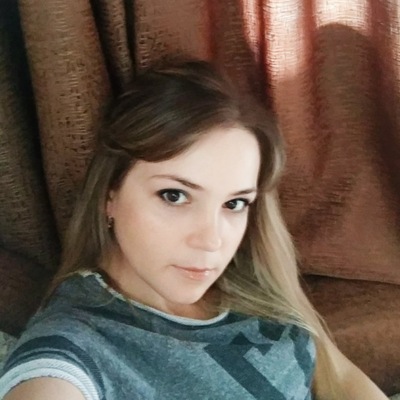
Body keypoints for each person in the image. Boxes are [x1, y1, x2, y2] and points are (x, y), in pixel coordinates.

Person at [0, 60, 388, 400]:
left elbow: (339, 376)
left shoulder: (254, 280)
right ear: (109, 195)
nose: (212, 241)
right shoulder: (74, 346)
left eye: (234, 204)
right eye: (174, 195)